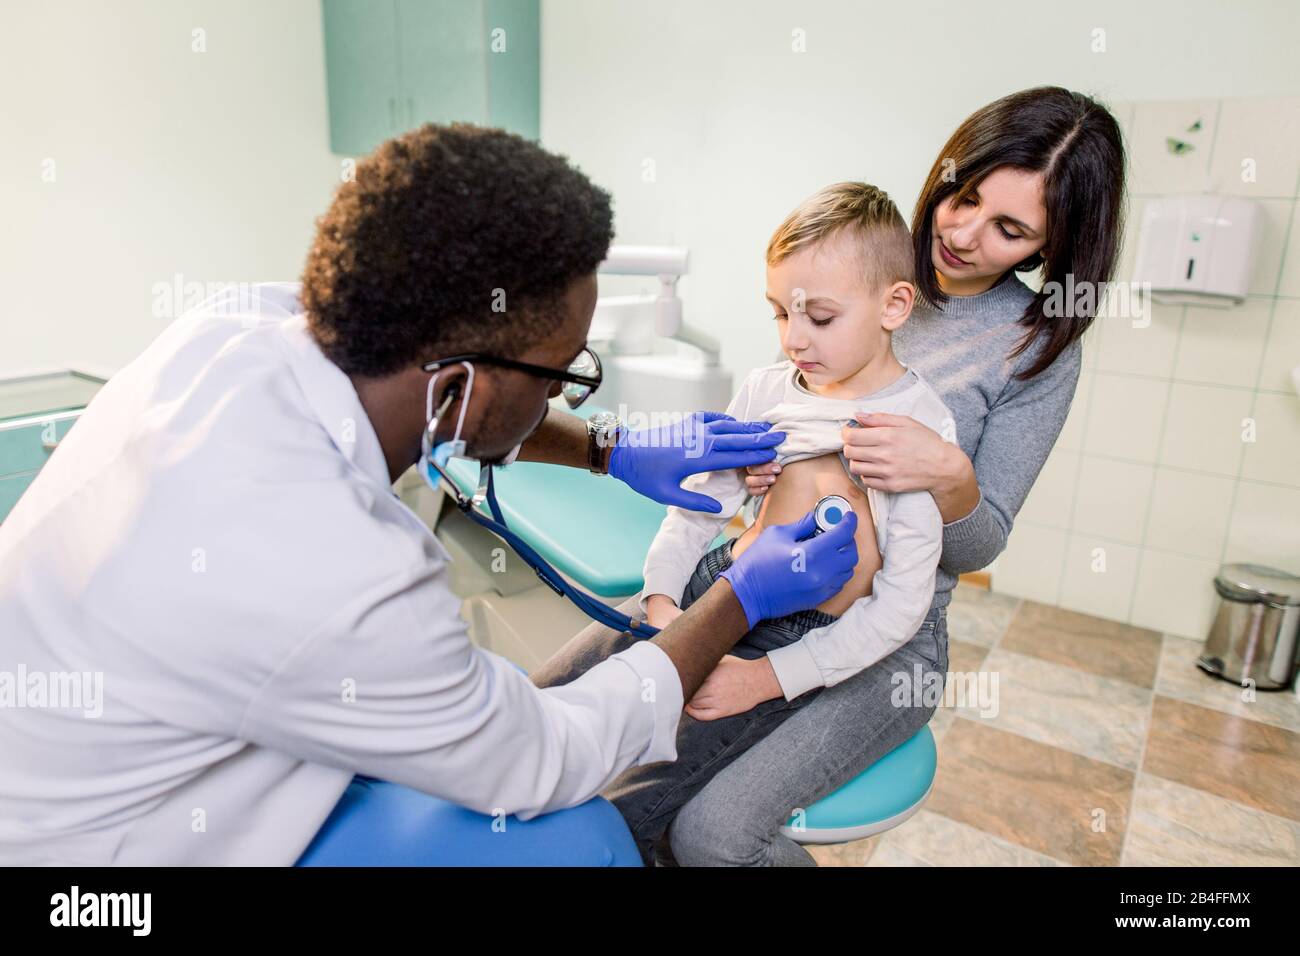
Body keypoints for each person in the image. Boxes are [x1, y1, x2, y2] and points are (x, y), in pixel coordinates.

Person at [0, 123, 859, 866]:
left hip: (73, 751)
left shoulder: (241, 326)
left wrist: (611, 448)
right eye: (563, 374)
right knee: (583, 840)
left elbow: (463, 402)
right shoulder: (341, 573)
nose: (565, 395)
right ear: (461, 385)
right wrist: (741, 599)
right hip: (96, 869)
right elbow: (542, 760)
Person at [541, 86, 1127, 865]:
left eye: (1009, 229)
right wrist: (709, 524)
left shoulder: (1032, 350)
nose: (963, 231)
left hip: (880, 635)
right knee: (543, 717)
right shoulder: (852, 264)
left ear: (1050, 247)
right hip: (741, 577)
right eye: (964, 195)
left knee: (703, 833)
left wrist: (948, 474)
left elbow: (974, 549)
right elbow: (711, 502)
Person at [532, 180, 953, 864]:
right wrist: (665, 599)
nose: (794, 339)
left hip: (792, 637)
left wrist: (767, 678)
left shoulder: (915, 429)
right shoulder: (765, 390)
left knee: (632, 808)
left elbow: (902, 605)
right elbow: (698, 511)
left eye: (820, 317)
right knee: (540, 711)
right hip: (715, 587)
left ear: (894, 306)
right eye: (780, 314)